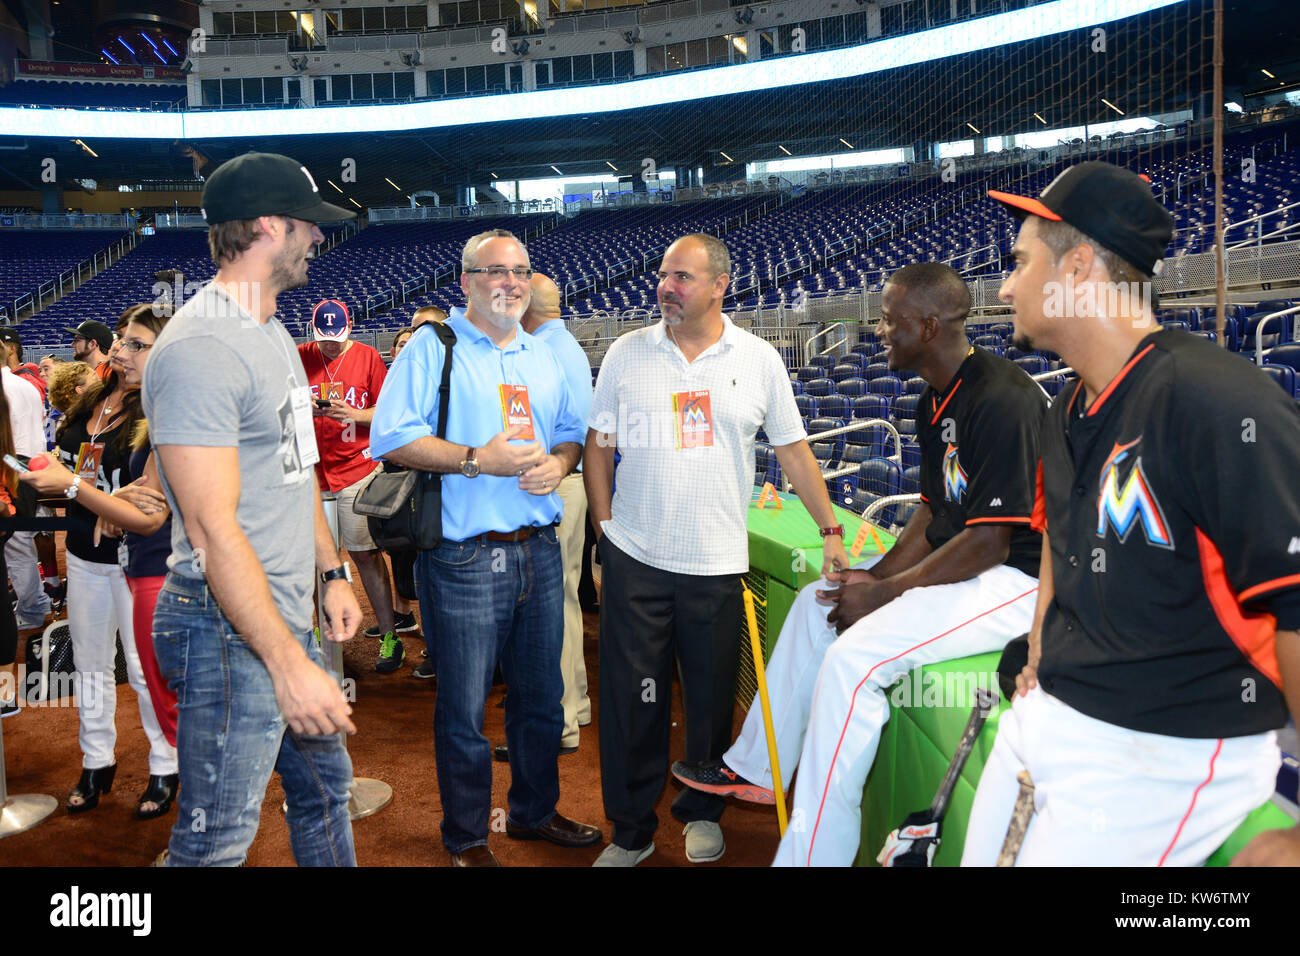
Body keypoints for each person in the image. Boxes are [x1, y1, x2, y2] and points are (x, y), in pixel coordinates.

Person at [960, 161, 1300, 867]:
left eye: (1020, 263)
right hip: (1061, 709)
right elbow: (1060, 535)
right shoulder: (1065, 406)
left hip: (1169, 745)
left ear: (1078, 268)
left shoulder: (1216, 398)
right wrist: (1042, 648)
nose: (1004, 286)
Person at [671, 262, 1046, 865]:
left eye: (888, 320)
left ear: (927, 326)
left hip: (1020, 580)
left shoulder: (1001, 398)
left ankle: (811, 856)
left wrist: (887, 595)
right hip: (974, 565)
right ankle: (755, 769)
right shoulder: (934, 400)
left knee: (853, 658)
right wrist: (875, 576)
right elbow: (931, 513)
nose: (878, 330)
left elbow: (991, 541)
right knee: (816, 607)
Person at [585, 232, 851, 867]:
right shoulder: (626, 352)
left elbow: (791, 450)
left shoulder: (758, 358)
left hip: (715, 565)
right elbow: (598, 444)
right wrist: (605, 531)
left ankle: (701, 810)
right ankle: (631, 829)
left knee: (706, 701)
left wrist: (832, 531)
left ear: (718, 285)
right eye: (663, 274)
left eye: (681, 276)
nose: (665, 286)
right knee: (634, 700)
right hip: (637, 560)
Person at [142, 151, 362, 867]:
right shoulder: (203, 346)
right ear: (268, 225)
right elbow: (210, 528)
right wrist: (286, 663)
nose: (317, 239)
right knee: (212, 848)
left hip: (273, 614)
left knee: (327, 794)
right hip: (227, 631)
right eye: (307, 225)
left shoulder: (267, 327)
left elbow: (293, 473)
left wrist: (330, 571)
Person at [370, 228, 602, 867]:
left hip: (540, 549)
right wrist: (478, 460)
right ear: (467, 280)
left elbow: (567, 435)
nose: (510, 282)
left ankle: (533, 813)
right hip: (464, 558)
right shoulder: (432, 345)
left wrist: (560, 463)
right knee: (465, 710)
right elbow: (390, 438)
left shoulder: (544, 352)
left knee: (540, 699)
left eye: (521, 271)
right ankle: (469, 836)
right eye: (496, 271)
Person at [21, 303, 180, 816]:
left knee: (142, 667)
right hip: (83, 551)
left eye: (136, 344)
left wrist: (119, 496)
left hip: (138, 559)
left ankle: (165, 764)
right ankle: (96, 760)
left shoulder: (162, 406)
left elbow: (157, 491)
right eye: (120, 340)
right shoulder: (92, 395)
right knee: (89, 664)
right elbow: (76, 470)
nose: (119, 350)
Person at [296, 298, 407, 672]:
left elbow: (387, 412)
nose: (331, 344)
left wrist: (353, 414)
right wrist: (301, 406)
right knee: (316, 563)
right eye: (325, 337)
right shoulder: (300, 356)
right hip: (312, 474)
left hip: (356, 469)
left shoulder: (367, 357)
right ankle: (315, 634)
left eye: (338, 337)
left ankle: (390, 635)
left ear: (350, 327)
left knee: (365, 555)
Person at [2, 341, 49, 632]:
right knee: (21, 543)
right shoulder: (24, 384)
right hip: (32, 465)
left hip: (13, 467)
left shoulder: (5, 388)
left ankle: (32, 609)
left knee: (16, 546)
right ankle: (35, 603)